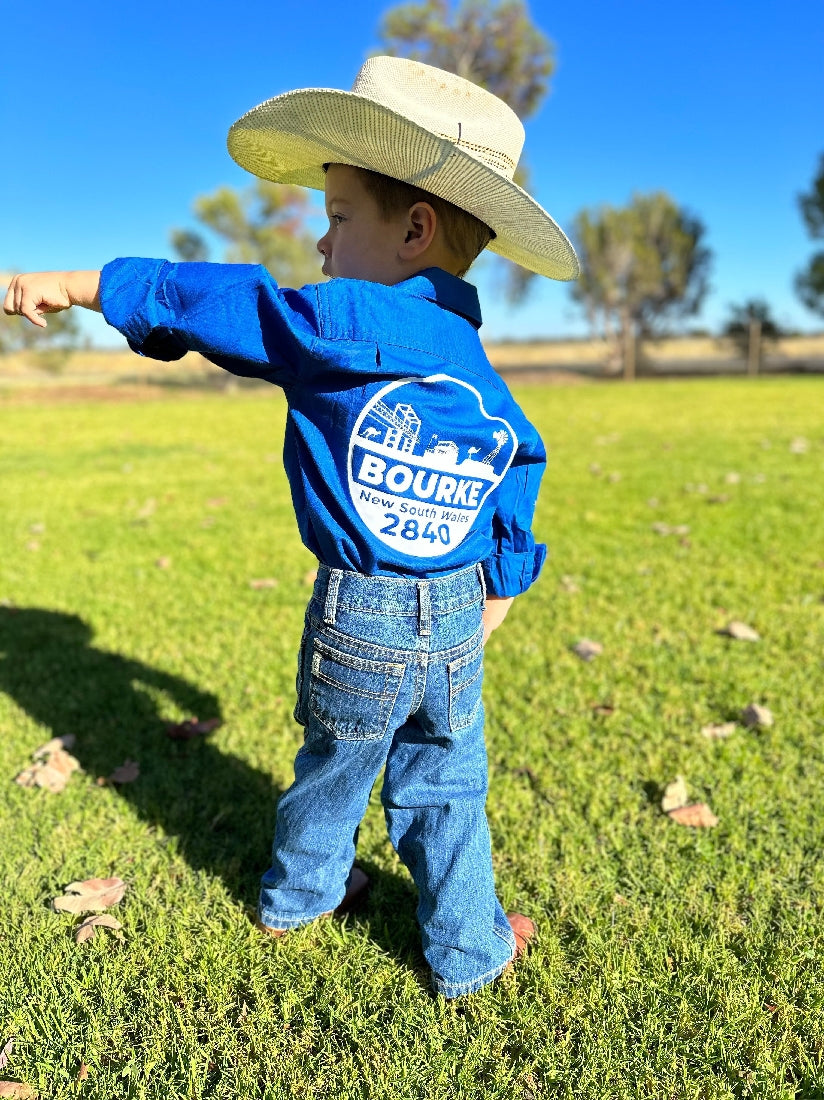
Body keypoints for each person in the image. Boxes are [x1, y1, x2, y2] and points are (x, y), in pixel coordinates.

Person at [4, 55, 578, 998]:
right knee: (446, 786)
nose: (321, 246)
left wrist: (78, 283)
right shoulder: (473, 357)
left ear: (414, 229)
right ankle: (471, 951)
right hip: (456, 611)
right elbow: (520, 456)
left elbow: (217, 301)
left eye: (340, 218)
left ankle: (300, 895)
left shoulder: (341, 319)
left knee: (335, 769)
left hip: (362, 612)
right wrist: (505, 582)